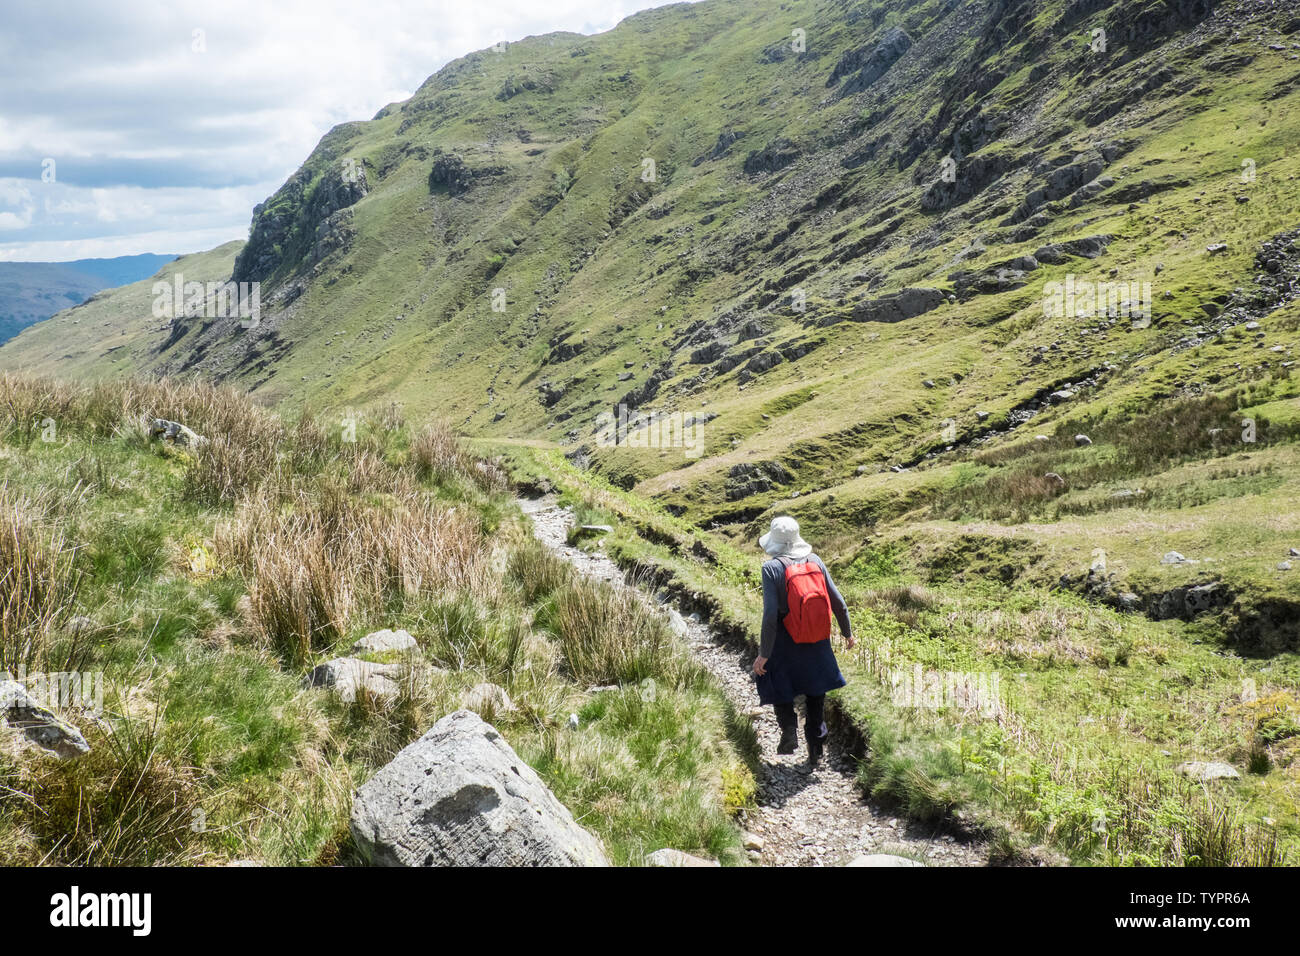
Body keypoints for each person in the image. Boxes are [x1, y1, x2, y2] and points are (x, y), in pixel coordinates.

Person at [752, 515, 855, 768]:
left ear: (775, 543)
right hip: (817, 639)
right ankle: (816, 749)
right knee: (815, 692)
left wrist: (764, 653)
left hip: (785, 638)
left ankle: (789, 730)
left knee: (777, 681)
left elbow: (769, 616)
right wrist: (847, 633)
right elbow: (838, 603)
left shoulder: (772, 568)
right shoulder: (816, 561)